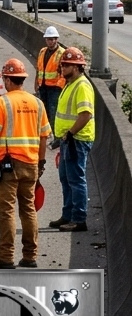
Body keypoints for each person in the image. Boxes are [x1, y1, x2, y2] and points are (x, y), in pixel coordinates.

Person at [0, 58, 51, 269]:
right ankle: (30, 256)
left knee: (7, 212)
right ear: (22, 80)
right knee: (28, 210)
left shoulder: (2, 103)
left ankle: (6, 256)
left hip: (7, 165)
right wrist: (41, 162)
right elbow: (44, 136)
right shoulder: (38, 103)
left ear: (8, 80)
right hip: (31, 165)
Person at [51, 47, 96, 232]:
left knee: (76, 180)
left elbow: (85, 114)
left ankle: (79, 219)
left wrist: (70, 133)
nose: (63, 67)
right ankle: (67, 214)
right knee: (66, 178)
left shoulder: (82, 85)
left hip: (76, 140)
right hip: (68, 140)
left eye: (67, 65)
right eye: (62, 64)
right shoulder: (70, 83)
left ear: (77, 67)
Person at [35, 26, 66, 123]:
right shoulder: (42, 51)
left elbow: (64, 73)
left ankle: (53, 133)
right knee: (43, 111)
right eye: (48, 39)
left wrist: (59, 87)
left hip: (54, 89)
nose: (50, 42)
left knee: (53, 112)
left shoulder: (62, 53)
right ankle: (46, 132)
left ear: (56, 39)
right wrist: (36, 82)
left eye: (52, 39)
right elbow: (39, 69)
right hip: (42, 87)